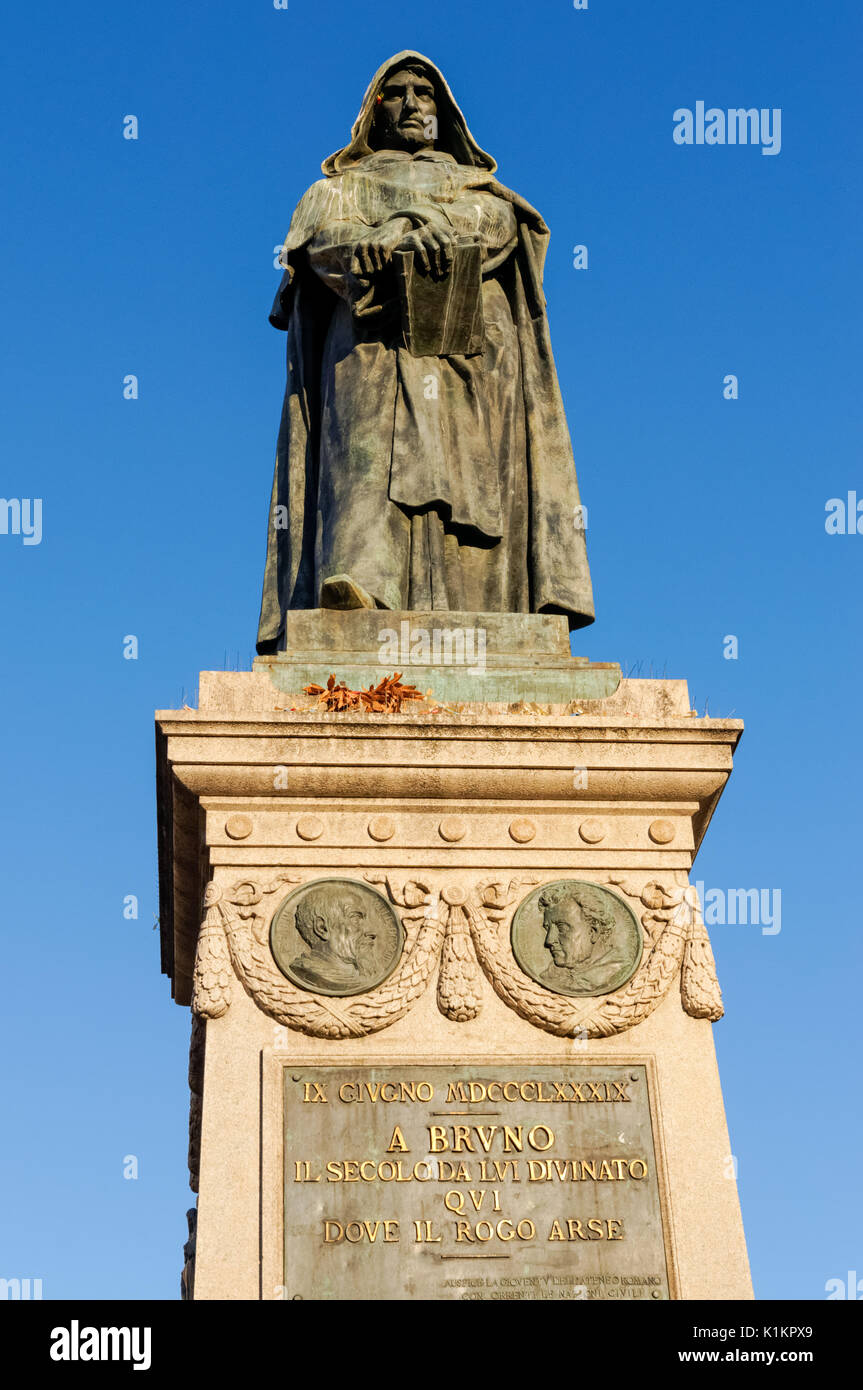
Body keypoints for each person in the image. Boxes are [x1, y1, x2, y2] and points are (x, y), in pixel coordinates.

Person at [256, 51, 594, 652]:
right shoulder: (338, 189)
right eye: (397, 93)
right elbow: (313, 246)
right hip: (369, 346)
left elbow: (500, 227)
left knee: (468, 480)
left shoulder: (477, 187)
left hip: (469, 357)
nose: (412, 104)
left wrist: (422, 221)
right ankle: (359, 585)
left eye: (425, 93)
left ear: (444, 111)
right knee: (364, 461)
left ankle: (481, 607)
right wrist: (379, 237)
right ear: (373, 110)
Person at [538, 883, 626, 993]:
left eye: (562, 928)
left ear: (593, 932)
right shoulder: (549, 976)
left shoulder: (616, 970)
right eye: (548, 928)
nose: (549, 940)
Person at [289, 887, 377, 990]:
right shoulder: (306, 974)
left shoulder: (359, 979)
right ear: (322, 928)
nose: (372, 932)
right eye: (356, 918)